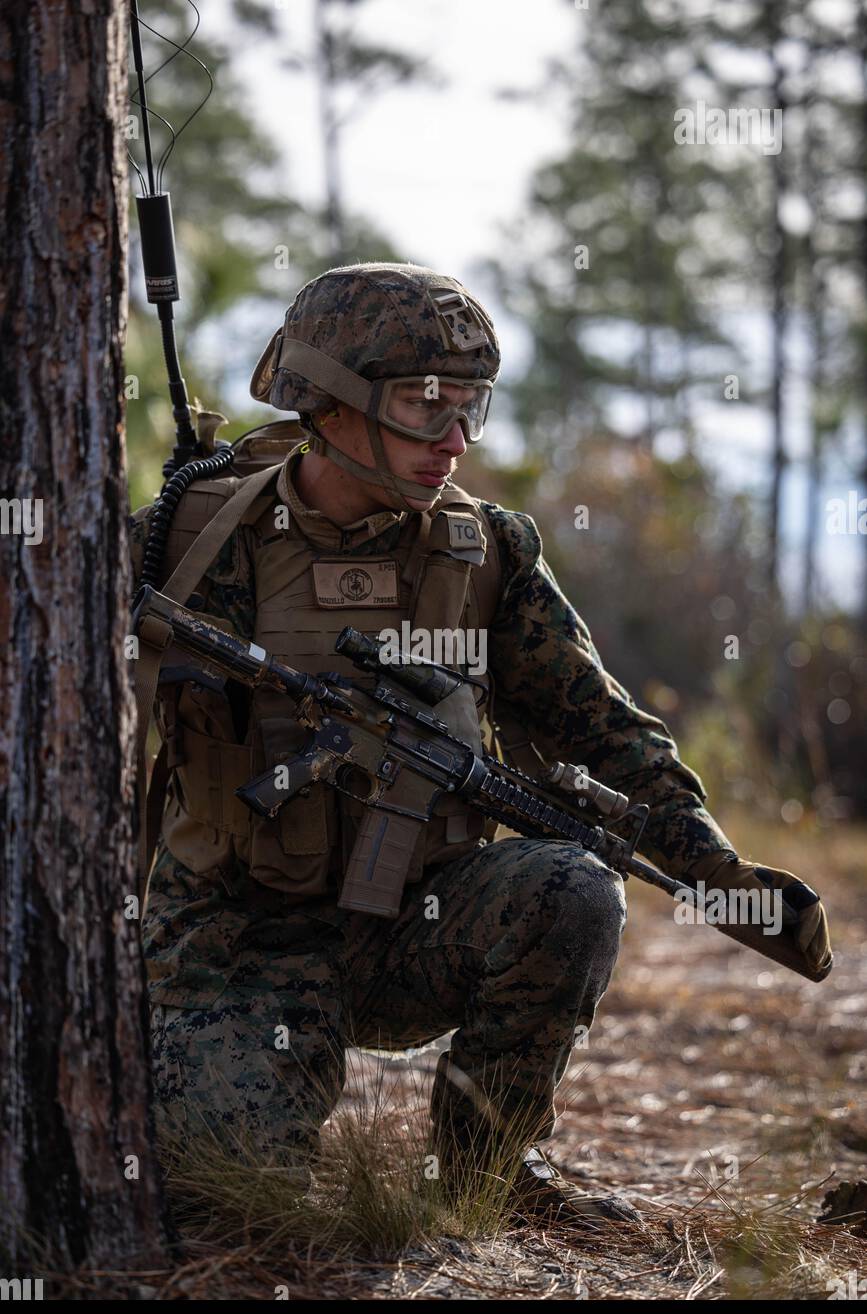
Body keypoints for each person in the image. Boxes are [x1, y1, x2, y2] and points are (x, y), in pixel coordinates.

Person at [128, 262, 832, 1227]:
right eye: (423, 406)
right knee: (238, 1205)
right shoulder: (190, 542)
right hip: (235, 935)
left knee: (571, 886)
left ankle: (483, 1181)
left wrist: (715, 871)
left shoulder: (485, 553)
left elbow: (606, 730)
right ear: (327, 403)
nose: (454, 440)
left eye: (470, 407)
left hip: (408, 926)